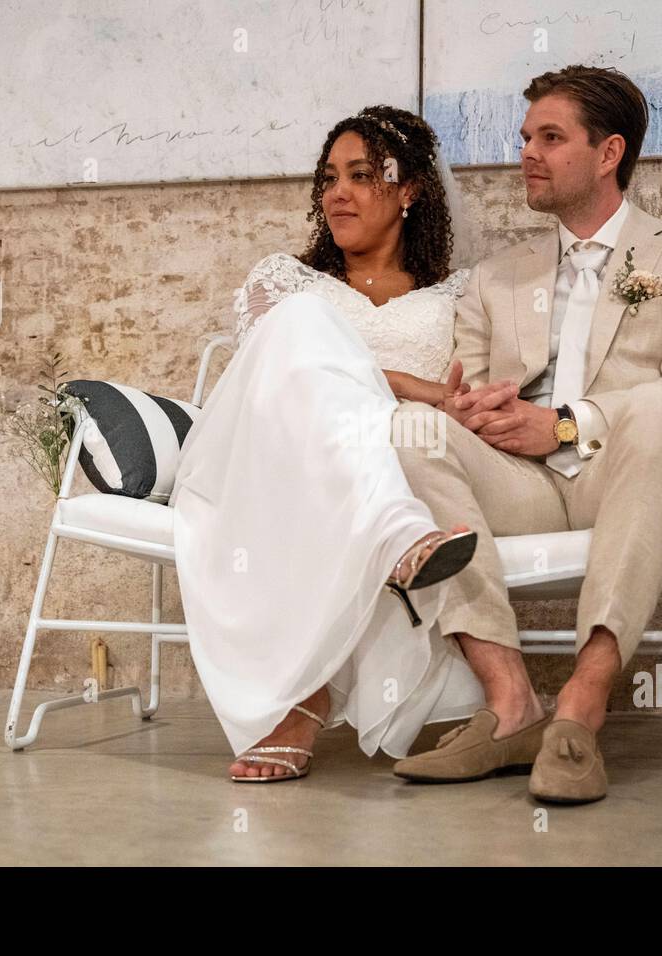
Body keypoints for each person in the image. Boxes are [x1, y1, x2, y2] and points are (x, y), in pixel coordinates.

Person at [391, 65, 662, 804]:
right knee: (414, 427)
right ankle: (510, 704)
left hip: (628, 473)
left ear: (609, 151)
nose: (528, 151)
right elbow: (473, 388)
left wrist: (560, 423)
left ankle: (582, 710)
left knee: (661, 410)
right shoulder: (495, 278)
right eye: (526, 136)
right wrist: (475, 413)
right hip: (519, 484)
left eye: (551, 137)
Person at [169, 105, 493, 781]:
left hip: (376, 463)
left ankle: (307, 700)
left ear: (409, 191)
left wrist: (453, 403)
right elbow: (270, 387)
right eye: (329, 178)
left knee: (360, 445)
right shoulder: (286, 284)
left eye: (361, 175)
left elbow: (468, 397)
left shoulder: (459, 298)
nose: (337, 192)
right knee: (307, 324)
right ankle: (397, 540)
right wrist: (415, 385)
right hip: (263, 459)